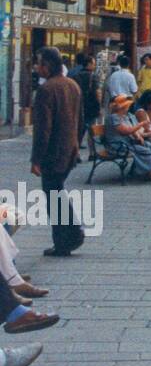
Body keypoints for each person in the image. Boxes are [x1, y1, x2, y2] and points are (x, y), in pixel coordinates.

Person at [29, 47, 85, 258]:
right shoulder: (72, 85)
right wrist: (76, 144)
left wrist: (36, 159)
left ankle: (67, 238)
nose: (37, 67)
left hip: (53, 152)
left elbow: (43, 129)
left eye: (39, 63)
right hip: (69, 149)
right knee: (57, 192)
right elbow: (80, 121)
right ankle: (69, 236)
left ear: (47, 66)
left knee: (54, 196)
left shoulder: (46, 90)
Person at [68, 52, 99, 155]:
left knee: (79, 131)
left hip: (79, 105)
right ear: (89, 64)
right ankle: (92, 153)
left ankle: (76, 154)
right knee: (91, 131)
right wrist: (99, 106)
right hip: (91, 105)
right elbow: (97, 92)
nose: (94, 66)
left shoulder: (75, 76)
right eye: (93, 64)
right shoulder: (94, 76)